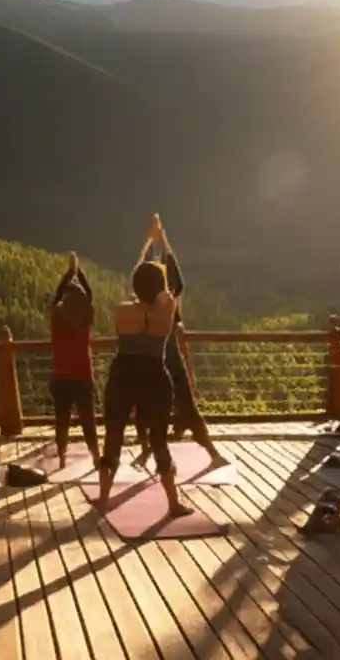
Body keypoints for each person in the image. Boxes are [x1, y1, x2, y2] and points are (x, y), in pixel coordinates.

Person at [98, 215, 193, 518]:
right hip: (154, 375)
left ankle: (103, 498)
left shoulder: (122, 311)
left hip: (123, 374)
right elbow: (177, 282)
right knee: (159, 439)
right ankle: (173, 503)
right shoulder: (166, 311)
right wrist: (162, 240)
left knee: (113, 435)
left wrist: (146, 245)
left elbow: (136, 282)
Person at [131, 217, 227, 470]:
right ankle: (212, 453)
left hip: (149, 365)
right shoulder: (168, 306)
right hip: (170, 362)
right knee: (188, 410)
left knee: (146, 411)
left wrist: (150, 241)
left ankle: (145, 453)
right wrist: (162, 241)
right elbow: (176, 279)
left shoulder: (138, 308)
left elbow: (138, 275)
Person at [49, 251, 100, 468]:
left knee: (62, 420)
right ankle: (96, 457)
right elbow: (89, 295)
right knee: (88, 421)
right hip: (82, 378)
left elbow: (56, 297)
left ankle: (62, 456)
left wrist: (68, 276)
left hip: (62, 378)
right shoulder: (85, 324)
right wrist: (78, 273)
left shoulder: (56, 322)